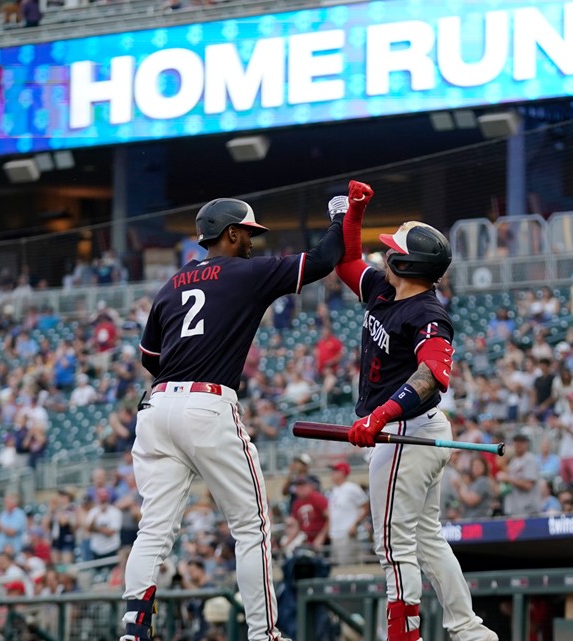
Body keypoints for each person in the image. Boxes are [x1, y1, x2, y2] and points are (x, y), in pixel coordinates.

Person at [120, 193, 348, 641]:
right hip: (206, 403)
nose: (252, 242)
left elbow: (150, 358)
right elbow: (323, 261)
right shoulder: (246, 272)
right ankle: (264, 634)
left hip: (158, 407)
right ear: (230, 233)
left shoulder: (171, 285)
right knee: (251, 526)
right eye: (248, 233)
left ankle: (134, 629)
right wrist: (341, 217)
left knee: (154, 529)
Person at [332, 181, 499, 641]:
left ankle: (405, 635)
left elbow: (432, 376)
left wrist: (381, 414)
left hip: (407, 432)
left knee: (393, 543)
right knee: (426, 538)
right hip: (409, 432)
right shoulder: (383, 291)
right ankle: (469, 630)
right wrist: (354, 216)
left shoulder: (428, 312)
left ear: (405, 264)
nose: (385, 255)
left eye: (393, 251)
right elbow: (346, 262)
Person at [326, 462, 369, 566]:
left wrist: (355, 524)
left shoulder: (352, 488)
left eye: (335, 471)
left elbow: (365, 507)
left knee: (348, 567)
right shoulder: (334, 489)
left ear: (342, 473)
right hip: (335, 534)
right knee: (336, 568)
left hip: (347, 534)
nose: (332, 474)